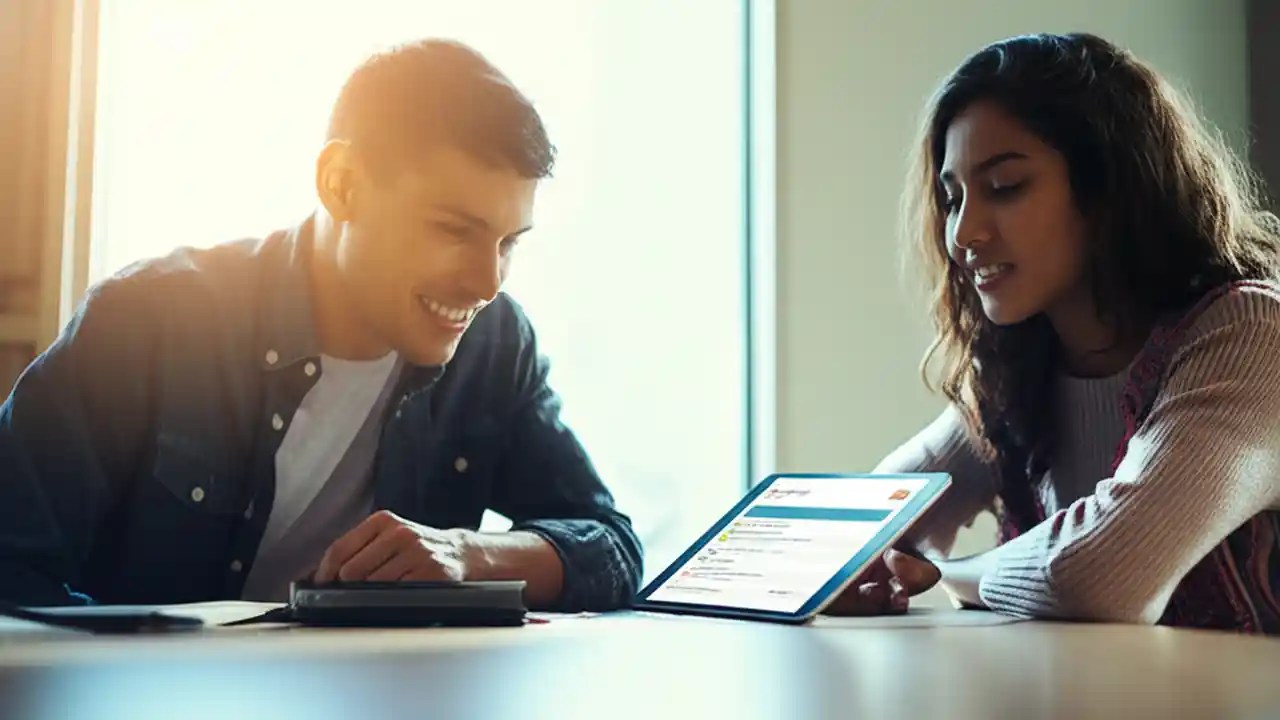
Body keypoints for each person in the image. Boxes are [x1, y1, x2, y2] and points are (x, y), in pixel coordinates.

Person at [0, 39, 642, 610]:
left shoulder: (495, 346)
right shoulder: (147, 321)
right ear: (341, 184)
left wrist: (469, 555)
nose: (486, 282)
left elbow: (611, 548)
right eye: (454, 231)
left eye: (508, 242)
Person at [827, 32, 1280, 633]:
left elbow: (1104, 578)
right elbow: (849, 534)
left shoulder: (1250, 336)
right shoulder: (1019, 368)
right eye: (952, 198)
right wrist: (854, 572)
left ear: (1108, 188)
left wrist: (950, 574)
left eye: (1005, 187)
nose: (962, 235)